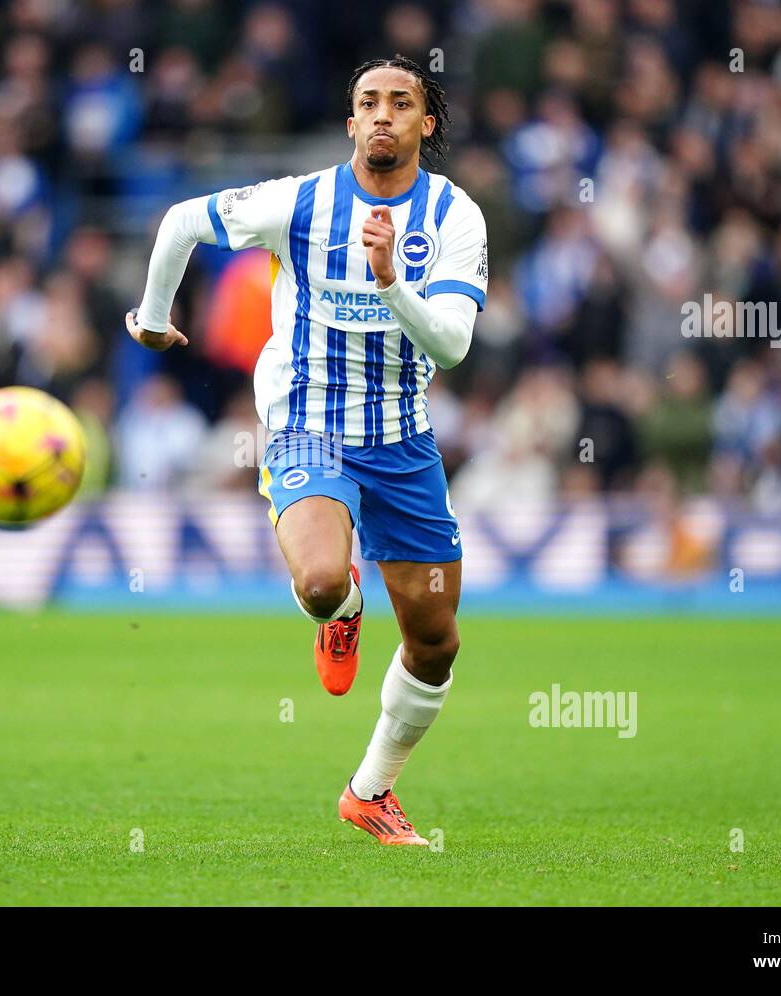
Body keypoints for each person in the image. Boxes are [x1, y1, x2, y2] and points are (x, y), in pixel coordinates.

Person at [125, 55, 488, 846]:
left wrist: (392, 282)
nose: (384, 114)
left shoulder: (456, 218)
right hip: (307, 421)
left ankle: (369, 793)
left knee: (436, 640)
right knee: (322, 581)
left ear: (426, 124)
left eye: (402, 102)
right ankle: (345, 610)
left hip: (401, 438)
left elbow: (454, 346)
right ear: (352, 122)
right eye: (368, 102)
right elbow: (183, 220)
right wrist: (152, 316)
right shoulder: (300, 202)